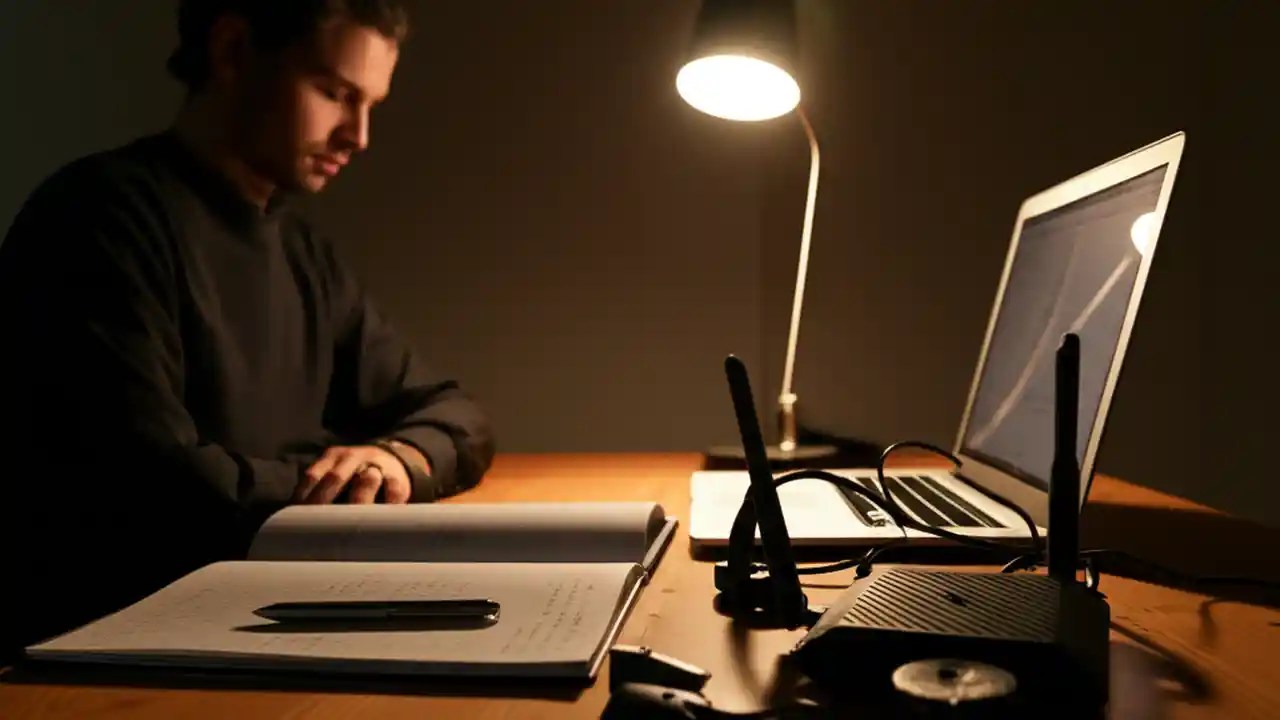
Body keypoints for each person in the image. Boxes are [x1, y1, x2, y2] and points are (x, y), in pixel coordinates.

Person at [0, 0, 494, 657]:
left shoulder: (302, 254)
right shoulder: (98, 219)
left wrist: (394, 459)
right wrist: (337, 488)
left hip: (263, 620)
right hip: (112, 651)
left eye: (370, 103)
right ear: (232, 51)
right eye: (333, 93)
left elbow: (456, 414)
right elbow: (161, 488)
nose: (358, 135)